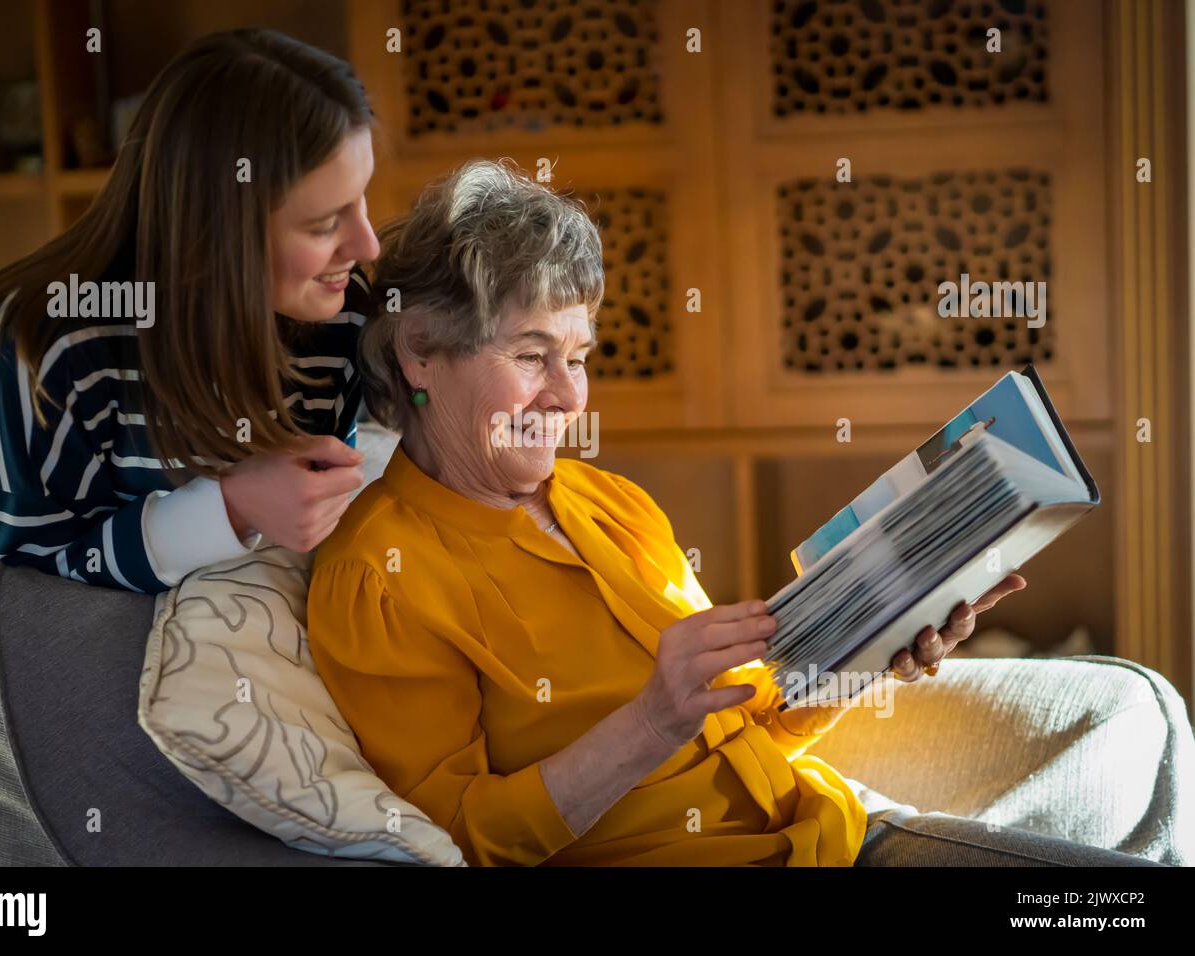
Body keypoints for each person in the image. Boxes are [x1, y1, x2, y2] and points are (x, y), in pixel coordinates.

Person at [306, 159, 1045, 866]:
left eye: (579, 357)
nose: (569, 398)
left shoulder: (611, 504)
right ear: (421, 351)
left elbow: (746, 726)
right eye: (532, 357)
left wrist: (880, 650)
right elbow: (452, 845)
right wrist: (649, 724)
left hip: (825, 835)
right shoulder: (379, 575)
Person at [0, 29, 380, 866]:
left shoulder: (336, 315)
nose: (367, 246)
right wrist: (226, 509)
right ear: (219, 225)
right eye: (328, 221)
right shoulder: (38, 340)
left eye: (364, 202)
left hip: (195, 676)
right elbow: (22, 600)